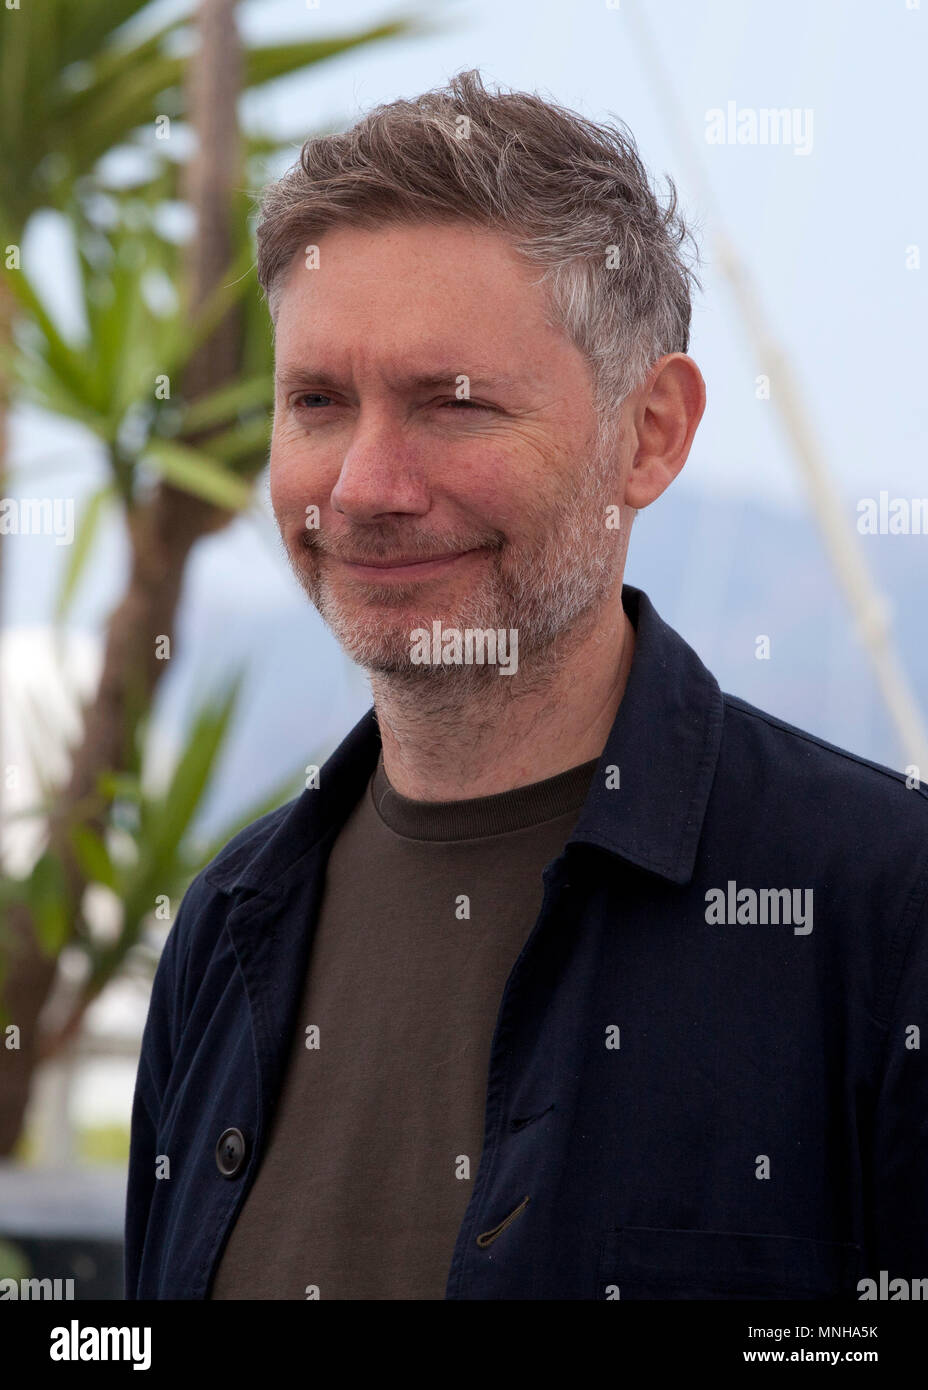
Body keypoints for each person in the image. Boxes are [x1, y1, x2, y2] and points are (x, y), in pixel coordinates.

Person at [124, 68, 928, 1300]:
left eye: (453, 405)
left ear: (648, 432)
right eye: (319, 402)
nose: (364, 487)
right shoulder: (226, 931)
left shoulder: (883, 910)